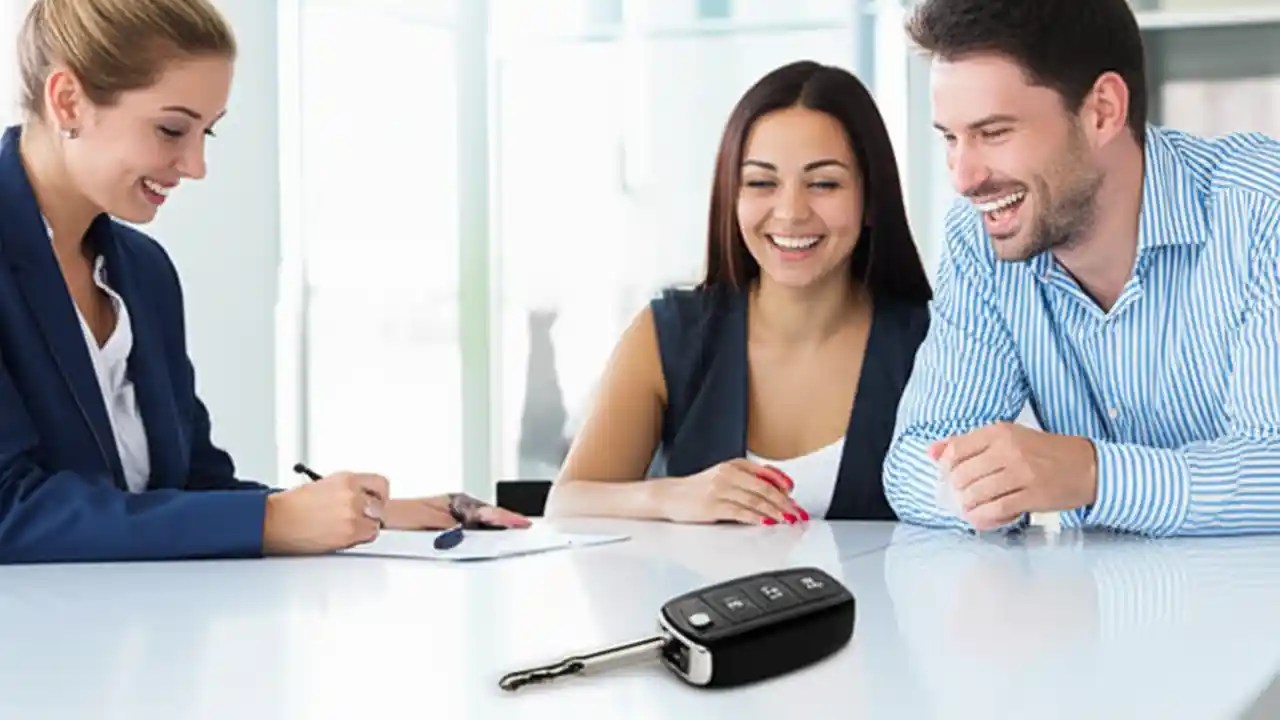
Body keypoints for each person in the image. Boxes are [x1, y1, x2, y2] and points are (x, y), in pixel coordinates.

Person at [0, 0, 528, 564]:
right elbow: (11, 512)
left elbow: (189, 488)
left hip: (140, 631)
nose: (196, 164)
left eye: (208, 132)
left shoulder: (144, 272)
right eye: (172, 128)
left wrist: (369, 516)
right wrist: (275, 520)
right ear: (68, 100)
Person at [883, 0, 1280, 536]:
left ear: (1102, 111)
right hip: (1091, 607)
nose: (964, 176)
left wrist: (1093, 474)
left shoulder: (1260, 210)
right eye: (950, 138)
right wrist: (984, 488)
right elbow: (913, 459)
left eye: (994, 132)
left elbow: (1270, 469)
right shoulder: (979, 238)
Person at [544, 60, 933, 525]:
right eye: (761, 183)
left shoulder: (932, 345)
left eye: (824, 183)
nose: (790, 212)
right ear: (733, 197)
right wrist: (670, 498)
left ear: (871, 201)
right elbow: (567, 504)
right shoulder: (669, 335)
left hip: (879, 602)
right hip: (695, 599)